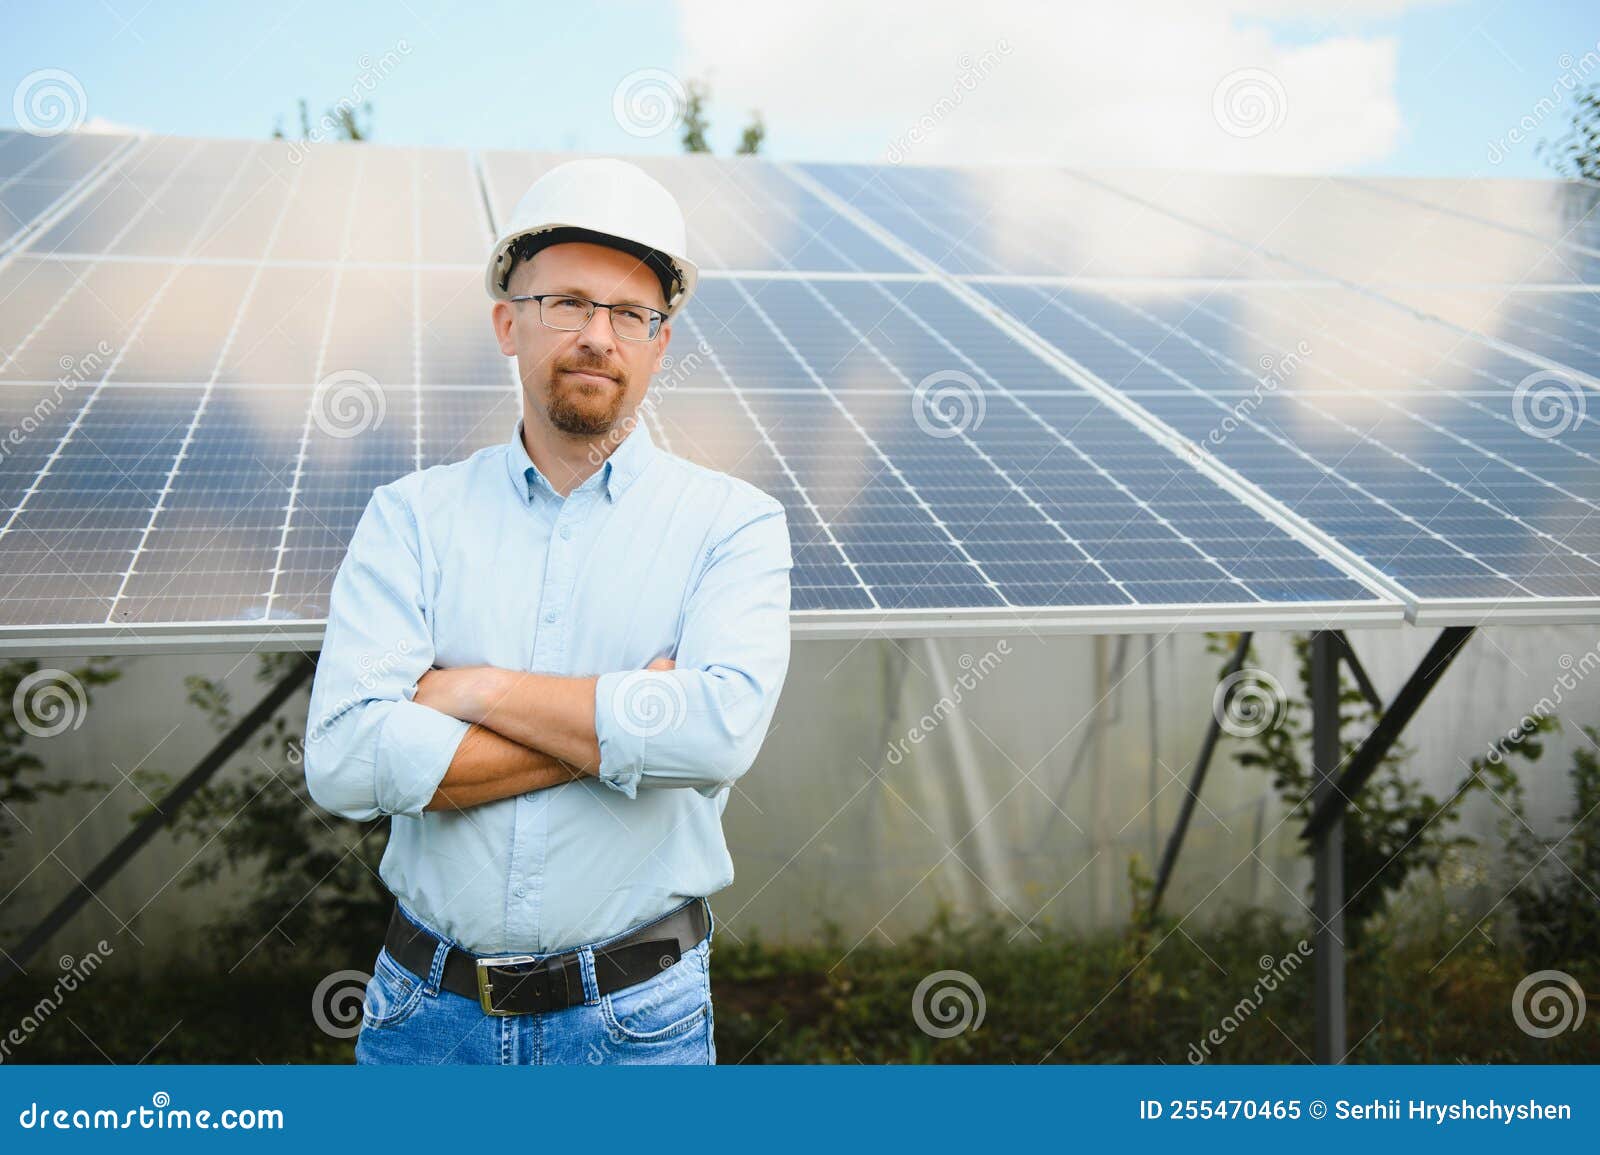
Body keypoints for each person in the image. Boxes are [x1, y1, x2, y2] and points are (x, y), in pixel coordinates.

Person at [303, 157, 793, 1065]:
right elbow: (342, 761)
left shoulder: (734, 526)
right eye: (567, 303)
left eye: (630, 314)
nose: (597, 334)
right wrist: (625, 732)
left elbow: (718, 733)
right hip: (424, 1022)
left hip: (638, 1027)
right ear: (507, 323)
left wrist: (473, 689)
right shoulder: (409, 519)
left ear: (659, 342)